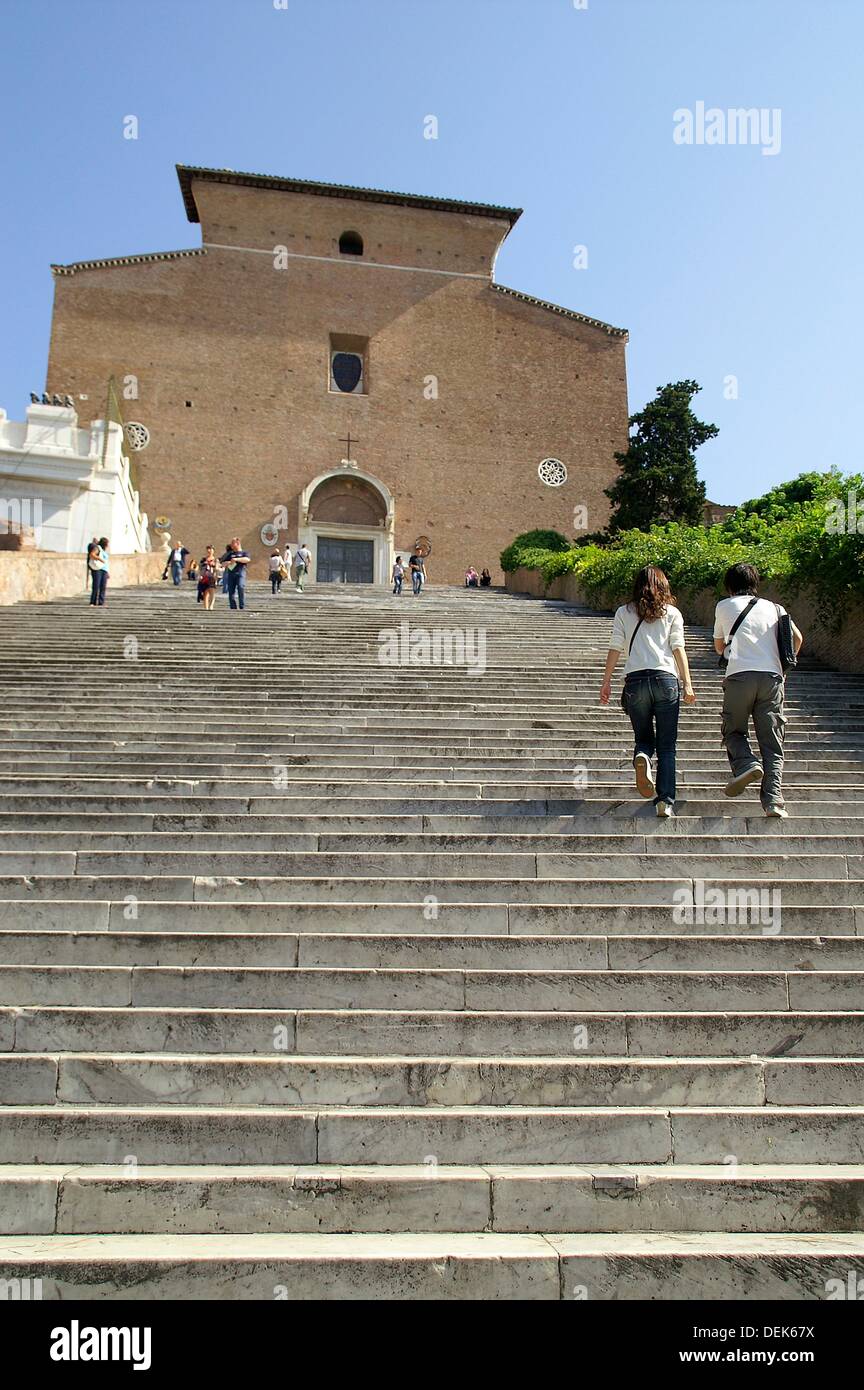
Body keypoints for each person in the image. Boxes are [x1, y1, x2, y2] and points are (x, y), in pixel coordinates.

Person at [600, 565, 696, 818]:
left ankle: (642, 755)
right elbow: (678, 648)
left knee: (643, 737)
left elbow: (615, 647)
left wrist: (607, 681)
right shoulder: (672, 613)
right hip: (666, 680)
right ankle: (664, 801)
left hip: (635, 681)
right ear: (663, 585)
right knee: (667, 746)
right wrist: (687, 682)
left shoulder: (624, 612)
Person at [713, 563, 803, 818]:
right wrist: (783, 668)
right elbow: (797, 638)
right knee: (773, 744)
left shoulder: (724, 606)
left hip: (739, 677)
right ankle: (774, 802)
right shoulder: (776, 608)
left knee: (733, 730)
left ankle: (747, 763)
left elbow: (720, 647)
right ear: (755, 583)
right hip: (772, 679)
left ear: (729, 585)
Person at [219, 537, 251, 610]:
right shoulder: (230, 554)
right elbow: (222, 563)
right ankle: (233, 607)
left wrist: (236, 559)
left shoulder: (244, 553)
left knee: (241, 586)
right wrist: (229, 562)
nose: (231, 545)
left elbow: (247, 559)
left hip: (240, 572)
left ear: (238, 543)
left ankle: (242, 606)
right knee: (231, 591)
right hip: (231, 573)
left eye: (233, 543)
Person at [197, 545, 221, 610]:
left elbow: (217, 569)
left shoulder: (216, 560)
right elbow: (200, 568)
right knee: (205, 593)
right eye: (208, 549)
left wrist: (216, 577)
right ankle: (206, 607)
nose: (209, 551)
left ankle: (211, 606)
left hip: (212, 577)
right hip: (204, 577)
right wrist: (199, 575)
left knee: (212, 591)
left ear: (213, 551)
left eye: (211, 549)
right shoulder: (203, 559)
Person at [88, 536, 110, 608]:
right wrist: (100, 559)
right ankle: (93, 602)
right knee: (96, 586)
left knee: (103, 587)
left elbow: (106, 562)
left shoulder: (104, 551)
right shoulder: (98, 548)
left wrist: (108, 572)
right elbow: (92, 554)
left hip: (104, 570)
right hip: (98, 569)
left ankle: (101, 602)